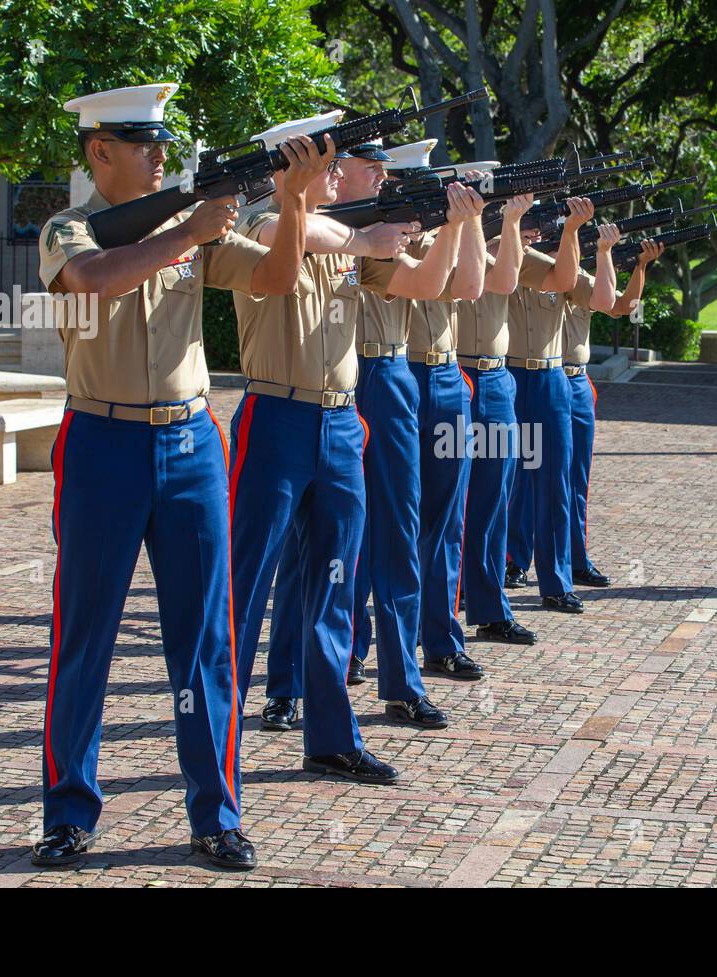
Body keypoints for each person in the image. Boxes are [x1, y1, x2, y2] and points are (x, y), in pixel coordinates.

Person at [32, 83, 312, 871]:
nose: (159, 155)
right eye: (142, 144)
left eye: (162, 143)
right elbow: (93, 280)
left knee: (206, 643)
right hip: (102, 443)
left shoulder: (192, 226)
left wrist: (290, 203)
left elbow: (276, 281)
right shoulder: (69, 228)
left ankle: (216, 813)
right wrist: (186, 227)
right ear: (99, 152)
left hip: (190, 445)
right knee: (84, 636)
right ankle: (68, 812)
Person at [231, 122, 482, 776]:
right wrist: (357, 235)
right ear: (297, 165)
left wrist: (456, 226)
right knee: (242, 590)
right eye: (330, 164)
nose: (342, 176)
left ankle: (331, 736)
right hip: (278, 414)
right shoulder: (263, 217)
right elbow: (278, 238)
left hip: (341, 422)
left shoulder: (349, 239)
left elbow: (427, 287)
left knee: (336, 586)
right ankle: (216, 745)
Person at [374, 139, 490, 680]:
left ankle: (440, 637)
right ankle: (354, 646)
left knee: (444, 519)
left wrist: (465, 223)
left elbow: (469, 288)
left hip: (443, 375)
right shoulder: (383, 234)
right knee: (383, 520)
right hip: (396, 373)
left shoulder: (437, 230)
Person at [501, 205, 615, 613]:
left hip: (549, 380)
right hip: (509, 377)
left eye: (539, 227)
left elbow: (603, 299)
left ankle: (556, 581)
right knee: (503, 481)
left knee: (555, 484)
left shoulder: (558, 265)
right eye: (530, 226)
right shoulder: (498, 253)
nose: (535, 234)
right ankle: (503, 565)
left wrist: (597, 249)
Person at [457, 183, 554, 644]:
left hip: (494, 380)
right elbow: (490, 280)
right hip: (455, 375)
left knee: (493, 500)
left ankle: (490, 606)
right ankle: (436, 608)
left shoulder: (507, 248)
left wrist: (512, 229)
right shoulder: (448, 239)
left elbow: (510, 279)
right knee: (445, 506)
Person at [563, 239, 664, 588]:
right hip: (539, 377)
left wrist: (640, 268)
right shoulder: (541, 270)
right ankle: (514, 560)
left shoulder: (587, 281)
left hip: (576, 379)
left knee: (576, 479)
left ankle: (575, 558)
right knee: (526, 479)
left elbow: (625, 307)